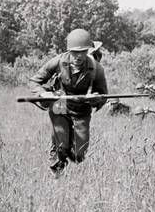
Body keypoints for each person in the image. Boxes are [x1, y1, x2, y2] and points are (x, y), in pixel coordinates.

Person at [28, 27, 109, 176]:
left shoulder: (97, 69)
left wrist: (95, 99)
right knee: (60, 144)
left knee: (79, 155)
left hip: (81, 109)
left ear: (89, 51)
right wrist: (43, 93)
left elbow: (103, 95)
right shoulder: (58, 61)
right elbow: (34, 81)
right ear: (69, 51)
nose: (79, 56)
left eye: (83, 51)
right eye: (75, 52)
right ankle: (57, 170)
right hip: (59, 104)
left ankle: (69, 146)